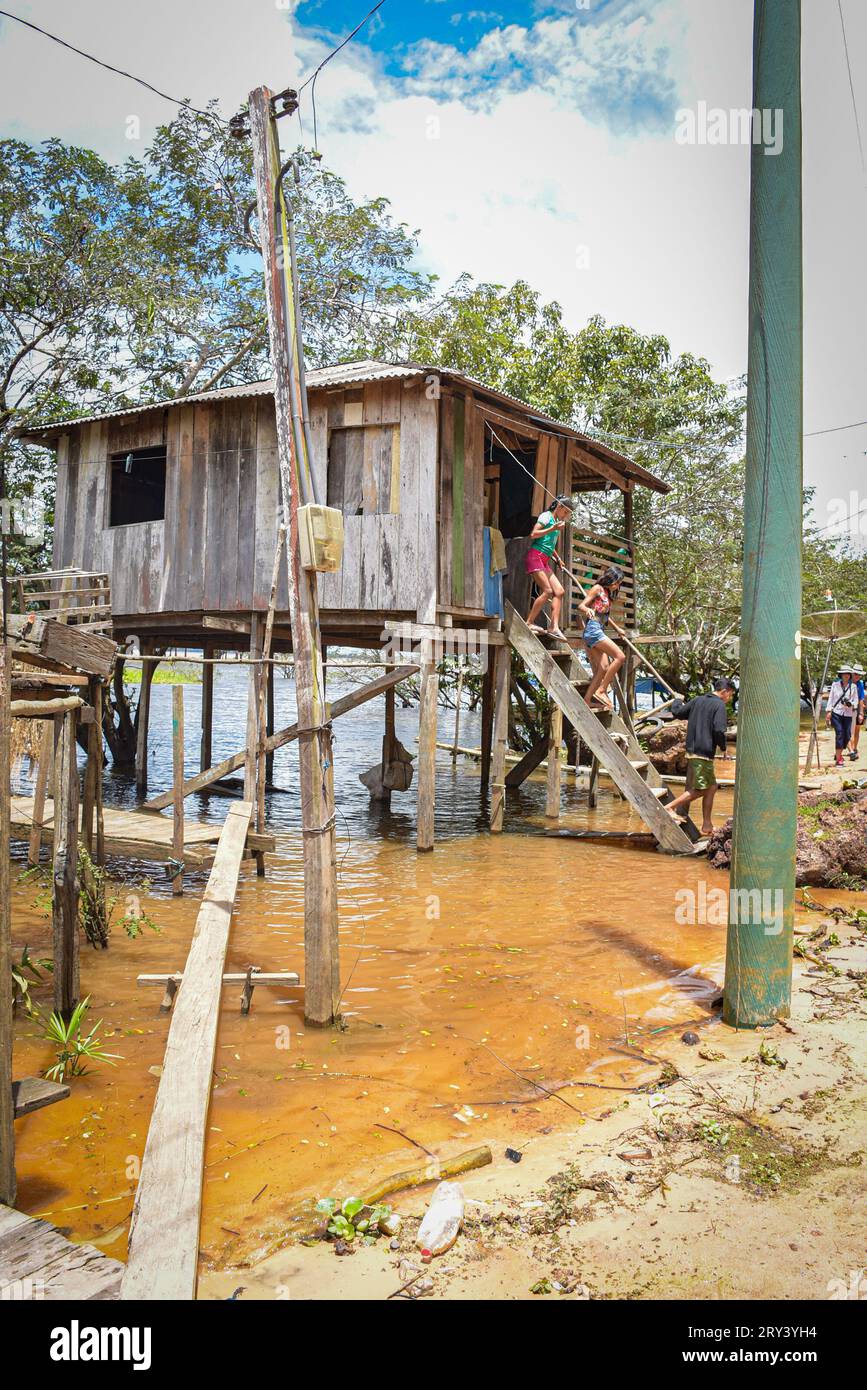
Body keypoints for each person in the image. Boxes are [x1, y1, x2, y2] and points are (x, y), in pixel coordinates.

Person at [665, 678, 737, 835]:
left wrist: (677, 700)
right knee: (702, 789)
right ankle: (670, 807)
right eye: (730, 695)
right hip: (703, 753)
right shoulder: (719, 705)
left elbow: (678, 712)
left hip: (693, 751)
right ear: (724, 692)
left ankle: (707, 826)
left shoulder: (697, 700)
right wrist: (724, 748)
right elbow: (719, 730)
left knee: (711, 787)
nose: (729, 699)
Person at [578, 566, 625, 712]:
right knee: (620, 657)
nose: (617, 586)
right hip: (593, 630)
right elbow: (581, 606)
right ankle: (602, 690)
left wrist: (617, 629)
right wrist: (588, 610)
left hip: (598, 629)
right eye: (617, 582)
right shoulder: (597, 588)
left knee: (603, 668)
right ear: (611, 578)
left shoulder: (607, 594)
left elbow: (605, 616)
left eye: (619, 584)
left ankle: (587, 700)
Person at [525, 496, 572, 640]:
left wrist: (558, 558)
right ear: (559, 507)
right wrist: (553, 527)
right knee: (547, 591)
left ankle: (553, 627)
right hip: (535, 557)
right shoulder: (546, 517)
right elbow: (533, 534)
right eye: (566, 512)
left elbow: (549, 544)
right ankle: (529, 623)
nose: (566, 516)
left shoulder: (556, 522)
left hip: (544, 559)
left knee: (559, 591)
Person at [825, 664, 860, 767]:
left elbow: (856, 701)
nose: (846, 676)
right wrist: (828, 711)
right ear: (841, 674)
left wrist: (851, 704)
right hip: (837, 712)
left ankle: (838, 754)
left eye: (848, 674)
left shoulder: (853, 687)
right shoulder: (835, 685)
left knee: (847, 735)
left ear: (850, 675)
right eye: (844, 674)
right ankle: (839, 758)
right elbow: (831, 699)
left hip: (848, 713)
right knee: (839, 733)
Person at [846, 663, 865, 761]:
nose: (857, 676)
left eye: (859, 674)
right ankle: (851, 750)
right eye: (856, 674)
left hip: (857, 708)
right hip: (847, 709)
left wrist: (861, 713)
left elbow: (861, 699)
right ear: (852, 673)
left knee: (857, 730)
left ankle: (854, 748)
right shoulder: (846, 681)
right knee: (850, 730)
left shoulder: (860, 683)